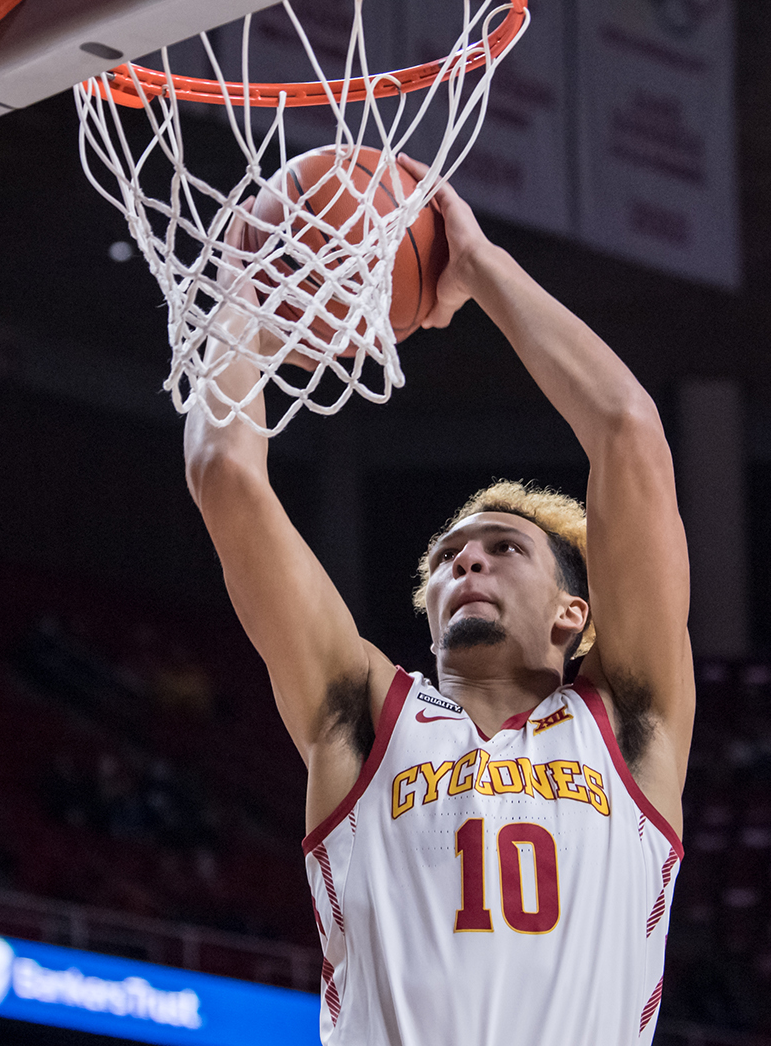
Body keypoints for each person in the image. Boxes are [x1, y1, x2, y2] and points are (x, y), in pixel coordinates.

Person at [183, 159, 695, 1044]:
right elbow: (224, 473)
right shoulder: (363, 719)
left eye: (504, 550)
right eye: (450, 559)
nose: (468, 566)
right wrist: (241, 294)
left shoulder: (630, 724)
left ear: (573, 615)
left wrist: (479, 267)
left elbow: (629, 430)